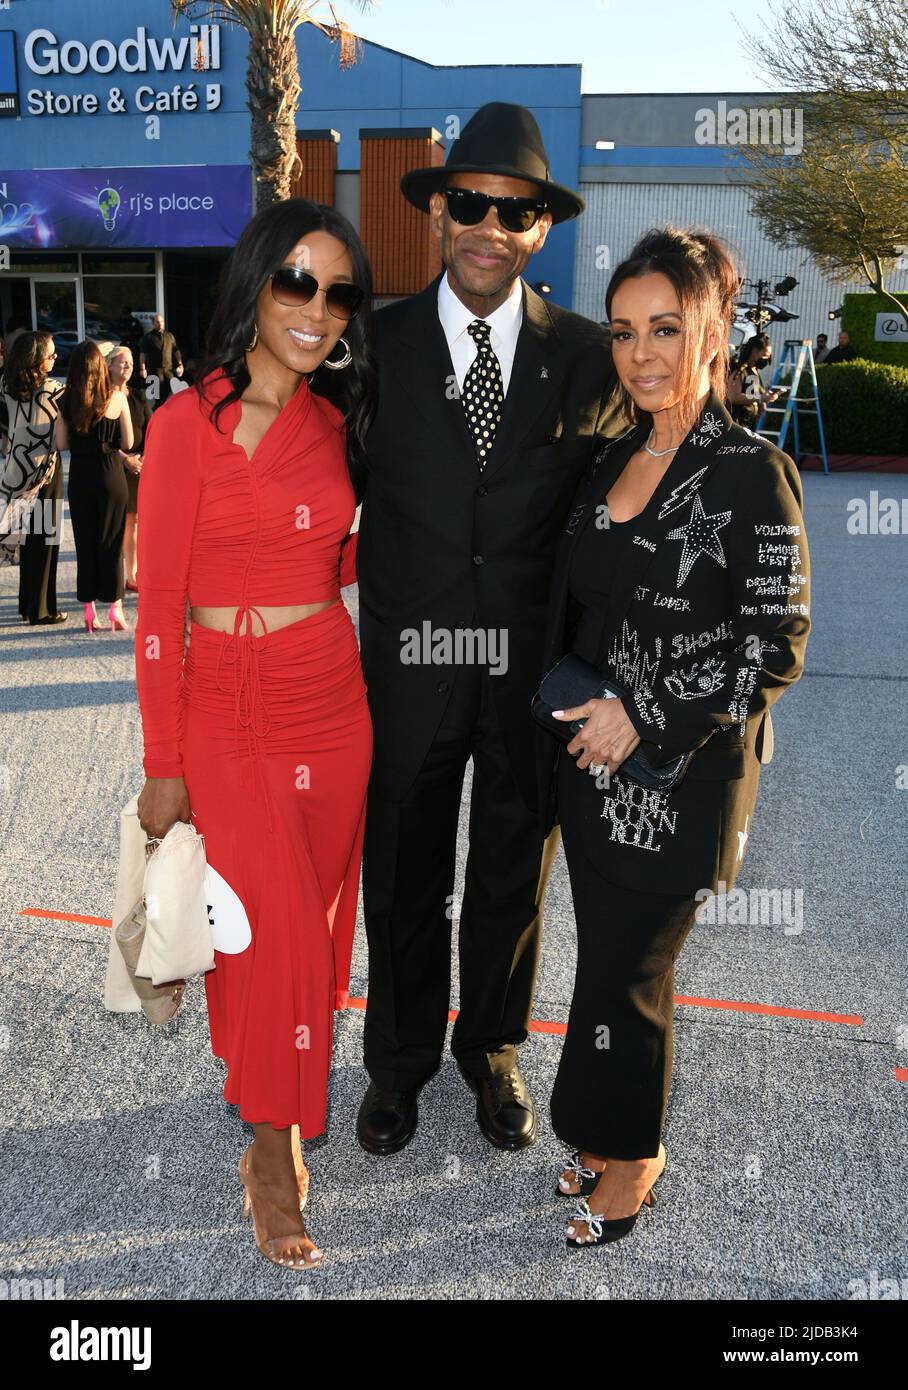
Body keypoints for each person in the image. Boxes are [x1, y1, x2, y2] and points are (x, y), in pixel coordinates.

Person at [353, 102, 625, 1158]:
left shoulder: (590, 357)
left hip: (525, 677)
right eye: (469, 203)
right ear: (439, 215)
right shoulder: (370, 346)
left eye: (512, 214)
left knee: (511, 876)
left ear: (539, 231)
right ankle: (398, 1062)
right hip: (410, 670)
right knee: (405, 871)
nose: (487, 227)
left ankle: (491, 1051)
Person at [535, 225, 810, 1246]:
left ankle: (635, 1154)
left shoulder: (749, 470)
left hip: (675, 777)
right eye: (621, 332)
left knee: (632, 971)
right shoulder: (612, 454)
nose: (640, 352)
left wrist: (642, 713)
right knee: (603, 962)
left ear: (712, 332)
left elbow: (773, 640)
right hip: (590, 773)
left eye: (665, 327)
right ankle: (598, 1131)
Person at [133, 198, 376, 1271]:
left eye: (337, 293)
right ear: (253, 287)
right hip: (223, 713)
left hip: (329, 695)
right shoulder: (183, 425)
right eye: (295, 283)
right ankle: (274, 1160)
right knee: (268, 931)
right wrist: (161, 764)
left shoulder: (339, 427)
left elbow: (342, 562)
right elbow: (155, 612)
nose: (315, 310)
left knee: (311, 937)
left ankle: (275, 1098)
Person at [54, 342, 133, 632]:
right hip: (111, 473)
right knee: (111, 542)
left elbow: (61, 445)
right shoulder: (116, 398)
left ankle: (89, 610)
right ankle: (115, 609)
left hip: (80, 475)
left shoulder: (67, 401)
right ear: (102, 366)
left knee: (85, 542)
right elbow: (128, 443)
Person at [0, 331, 67, 623]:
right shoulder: (53, 388)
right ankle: (41, 610)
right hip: (44, 472)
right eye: (51, 354)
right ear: (36, 357)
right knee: (46, 541)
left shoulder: (6, 384)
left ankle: (28, 604)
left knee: (28, 541)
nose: (55, 357)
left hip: (17, 470)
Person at [106, 345, 152, 591]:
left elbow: (153, 430)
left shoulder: (138, 397)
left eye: (131, 363)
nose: (128, 366)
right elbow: (99, 438)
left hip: (138, 467)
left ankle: (132, 576)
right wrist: (125, 457)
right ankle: (109, 576)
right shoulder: (101, 397)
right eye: (123, 362)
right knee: (113, 524)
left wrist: (142, 458)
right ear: (110, 365)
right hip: (111, 465)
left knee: (134, 522)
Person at [725, 332, 781, 428]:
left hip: (749, 423)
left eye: (769, 357)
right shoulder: (740, 370)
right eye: (764, 355)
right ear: (754, 351)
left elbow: (753, 394)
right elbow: (733, 396)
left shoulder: (755, 371)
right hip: (736, 423)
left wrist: (766, 398)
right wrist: (760, 398)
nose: (766, 360)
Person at [138, 313, 184, 408]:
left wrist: (180, 364)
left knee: (171, 393)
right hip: (155, 371)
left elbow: (176, 350)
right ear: (153, 323)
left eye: (162, 321)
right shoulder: (148, 337)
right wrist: (143, 368)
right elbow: (143, 354)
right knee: (158, 397)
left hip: (168, 370)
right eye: (157, 322)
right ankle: (156, 413)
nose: (160, 324)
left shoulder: (169, 336)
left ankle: (166, 412)